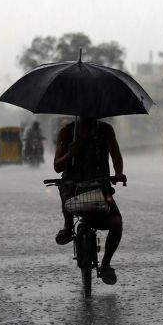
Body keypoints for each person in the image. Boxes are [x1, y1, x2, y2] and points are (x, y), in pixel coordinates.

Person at [53, 117, 127, 285]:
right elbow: (57, 166)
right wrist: (71, 153)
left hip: (100, 188)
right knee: (64, 188)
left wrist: (119, 172)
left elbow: (116, 156)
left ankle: (106, 263)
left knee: (116, 223)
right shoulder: (66, 132)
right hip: (74, 189)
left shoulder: (106, 130)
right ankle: (67, 226)